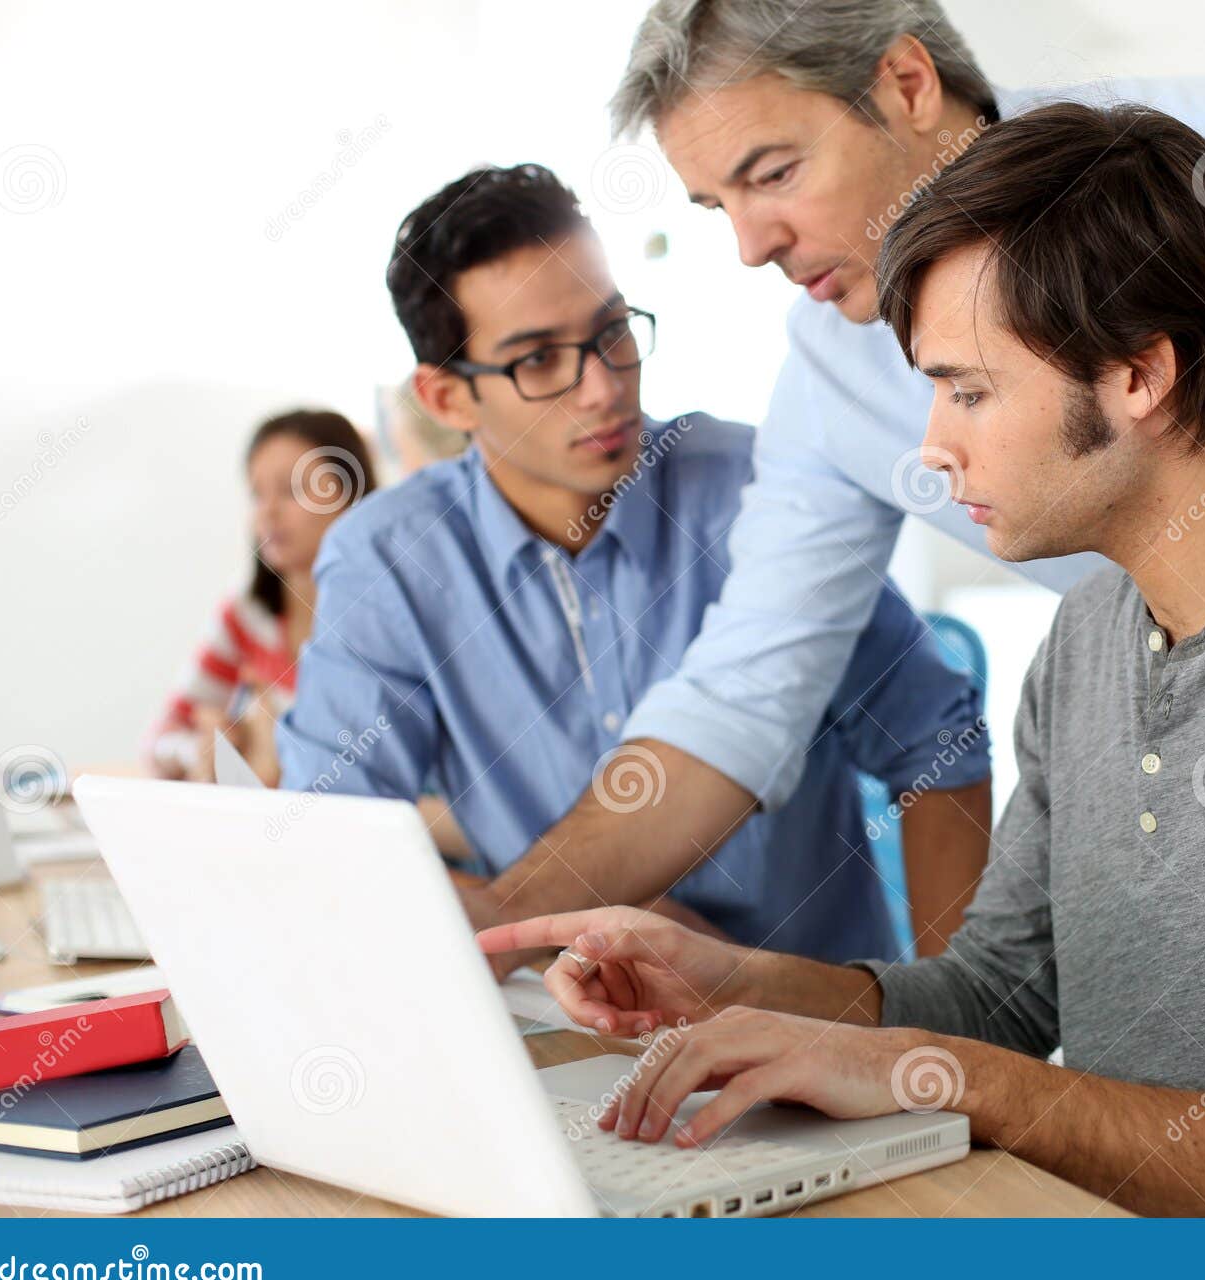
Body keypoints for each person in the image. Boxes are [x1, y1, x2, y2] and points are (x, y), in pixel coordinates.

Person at [479, 102, 1205, 1219]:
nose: (932, 446)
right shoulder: (1091, 636)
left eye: (968, 390)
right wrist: (737, 987)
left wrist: (943, 1078)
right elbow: (1000, 996)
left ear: (1138, 376)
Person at [468, 0, 1205, 937]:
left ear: (906, 82)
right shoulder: (828, 381)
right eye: (720, 206)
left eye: (773, 174)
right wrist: (501, 933)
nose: (751, 244)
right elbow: (743, 692)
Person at [276, 165, 992, 962]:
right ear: (446, 400)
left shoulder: (760, 493)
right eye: (539, 361)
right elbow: (331, 841)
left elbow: (937, 737)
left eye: (612, 331)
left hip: (809, 1036)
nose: (601, 388)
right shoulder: (393, 560)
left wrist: (944, 1042)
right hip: (560, 1026)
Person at [149, 409, 376, 786]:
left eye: (292, 490)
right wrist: (205, 749)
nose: (268, 511)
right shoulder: (245, 614)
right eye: (257, 493)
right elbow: (160, 740)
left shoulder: (387, 616)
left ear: (352, 496)